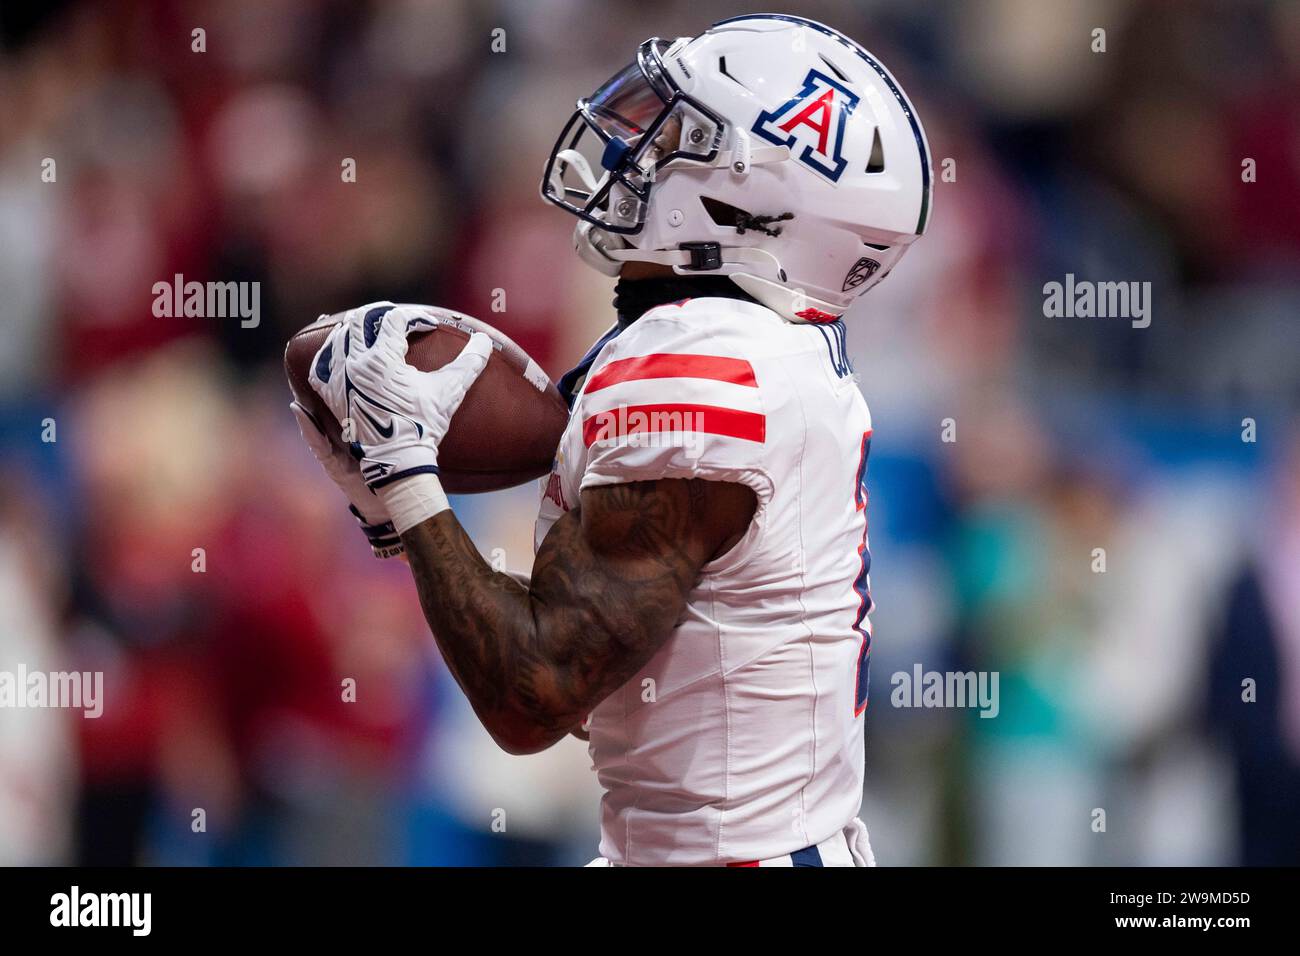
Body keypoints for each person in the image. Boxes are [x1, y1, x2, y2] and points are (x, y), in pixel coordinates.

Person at [293, 14, 932, 866]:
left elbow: (535, 692)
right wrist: (404, 494)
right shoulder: (736, 344)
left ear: (749, 199)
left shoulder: (704, 362)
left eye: (681, 137)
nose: (636, 147)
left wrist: (407, 477)